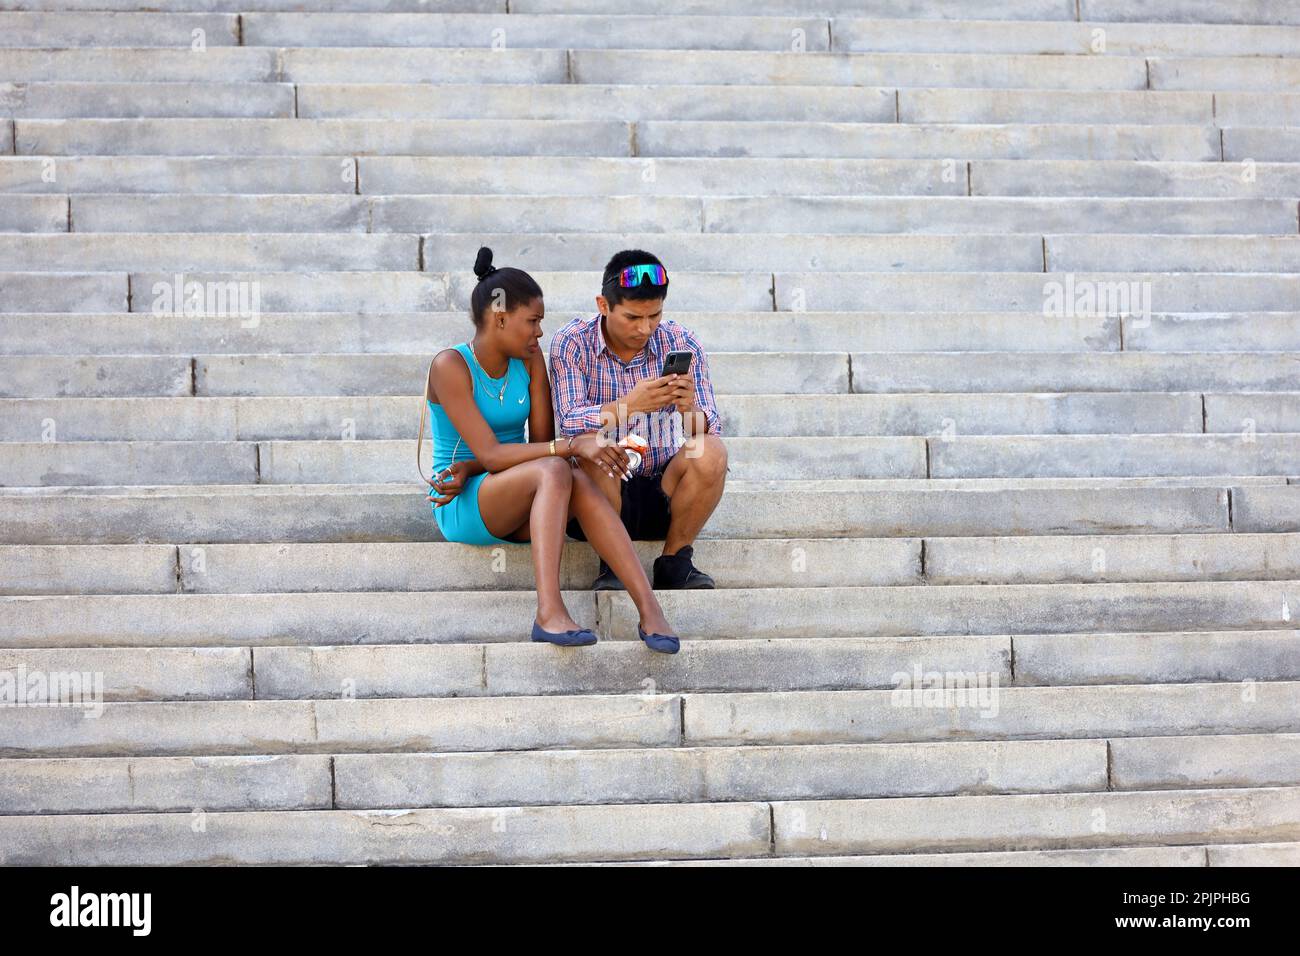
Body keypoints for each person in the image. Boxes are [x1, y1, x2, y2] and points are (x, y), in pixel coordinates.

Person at [417, 246, 680, 652]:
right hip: (465, 502)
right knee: (559, 469)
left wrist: (578, 447)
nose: (540, 332)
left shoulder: (531, 360)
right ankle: (549, 612)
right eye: (533, 321)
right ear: (500, 318)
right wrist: (572, 444)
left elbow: (544, 446)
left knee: (568, 471)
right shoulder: (449, 365)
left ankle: (650, 609)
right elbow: (491, 455)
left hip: (523, 490)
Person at [549, 250, 727, 591]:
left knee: (712, 451)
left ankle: (675, 561)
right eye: (632, 317)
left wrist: (688, 407)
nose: (645, 328)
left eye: (654, 315)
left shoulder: (680, 340)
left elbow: (708, 431)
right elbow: (570, 423)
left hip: (665, 487)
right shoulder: (572, 342)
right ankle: (613, 561)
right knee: (595, 446)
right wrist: (628, 406)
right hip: (597, 492)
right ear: (603, 305)